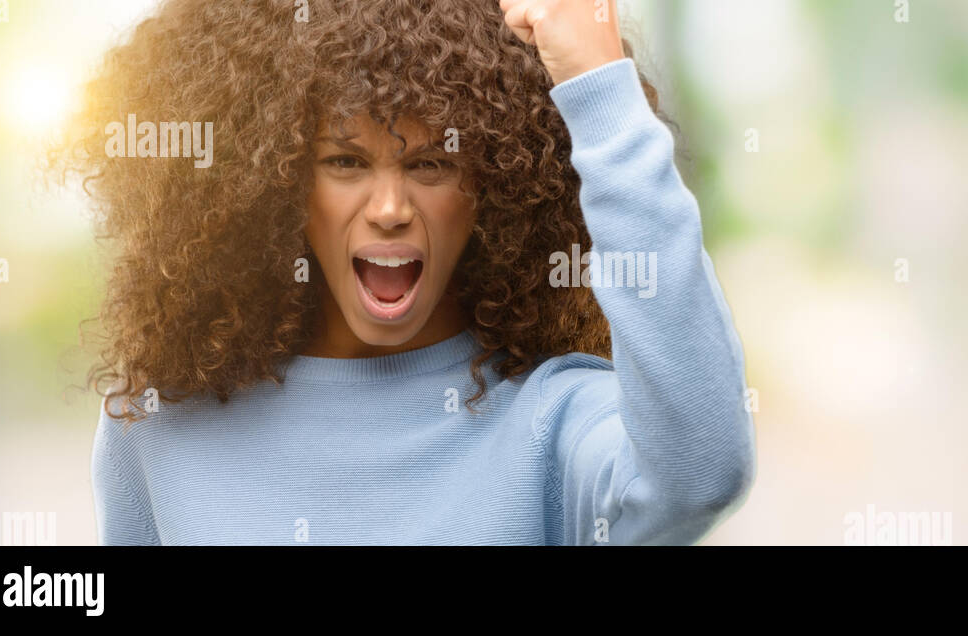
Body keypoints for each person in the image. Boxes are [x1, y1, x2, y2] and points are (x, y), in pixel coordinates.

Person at [56, 0, 755, 545]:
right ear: (276, 187)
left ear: (493, 191)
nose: (389, 208)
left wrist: (601, 93)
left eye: (430, 164)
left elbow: (700, 477)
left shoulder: (552, 426)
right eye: (346, 162)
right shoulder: (157, 427)